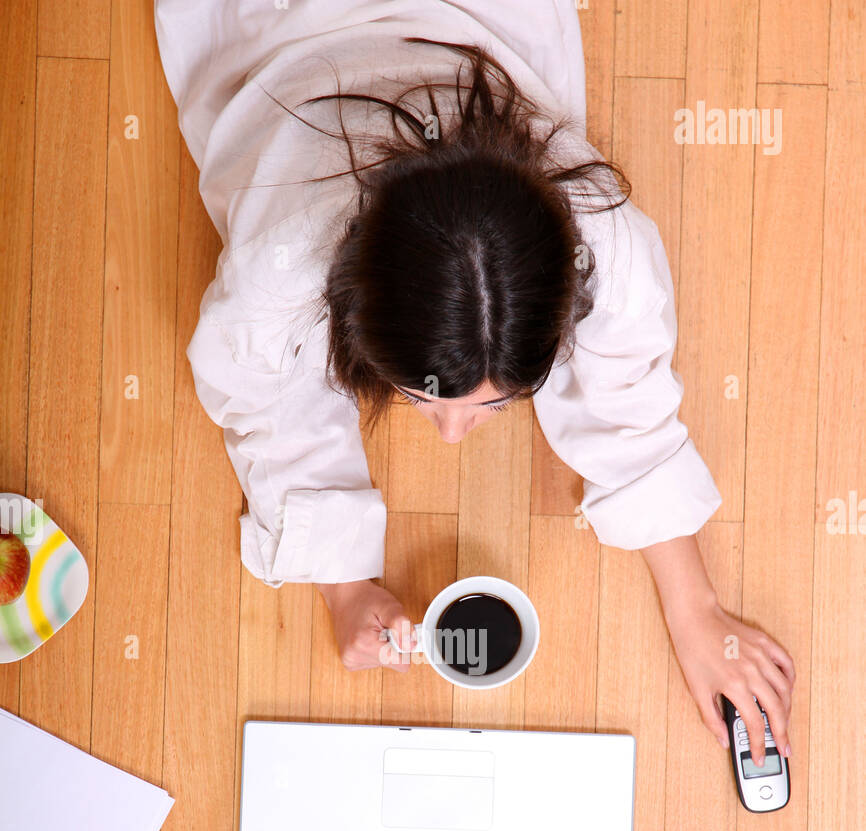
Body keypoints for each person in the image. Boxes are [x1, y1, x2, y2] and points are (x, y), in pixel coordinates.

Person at [153, 0, 794, 765]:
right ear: (348, 310)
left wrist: (697, 609)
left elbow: (630, 394)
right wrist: (344, 585)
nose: (453, 434)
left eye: (494, 404)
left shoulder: (603, 236)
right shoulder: (279, 266)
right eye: (428, 398)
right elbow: (264, 404)